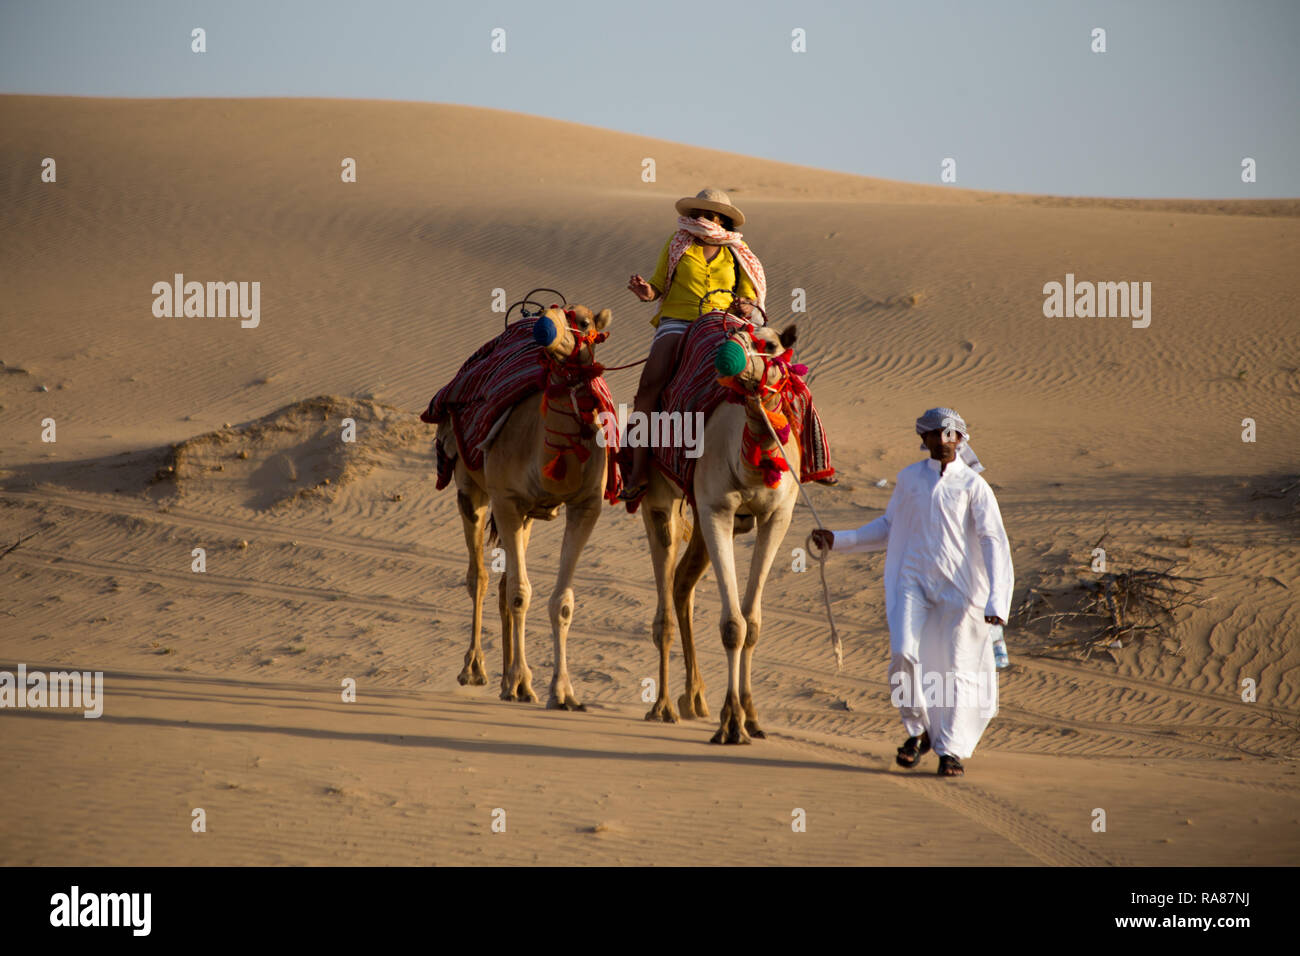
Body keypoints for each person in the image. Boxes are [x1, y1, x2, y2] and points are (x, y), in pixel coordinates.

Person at [810, 408, 1013, 776]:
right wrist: (838, 540)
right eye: (937, 434)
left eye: (952, 434)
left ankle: (949, 750)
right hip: (912, 581)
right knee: (903, 655)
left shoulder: (973, 486)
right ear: (925, 440)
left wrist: (997, 599)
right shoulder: (909, 479)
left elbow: (993, 541)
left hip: (960, 589)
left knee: (956, 669)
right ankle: (916, 730)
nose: (945, 440)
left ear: (961, 439)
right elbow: (890, 527)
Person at [622, 187, 835, 500]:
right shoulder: (678, 242)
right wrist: (646, 293)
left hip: (724, 323)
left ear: (723, 221)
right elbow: (658, 285)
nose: (703, 220)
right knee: (649, 387)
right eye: (699, 214)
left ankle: (812, 457)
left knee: (776, 375)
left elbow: (750, 296)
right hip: (678, 322)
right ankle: (638, 470)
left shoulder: (738, 252)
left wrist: (745, 308)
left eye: (711, 216)